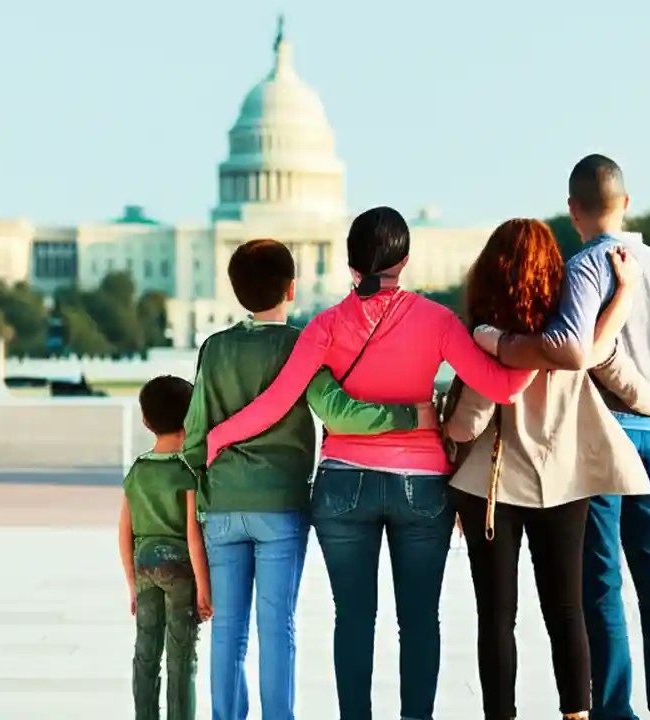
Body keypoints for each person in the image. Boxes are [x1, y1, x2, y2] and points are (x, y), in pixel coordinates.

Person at [205, 207, 536, 720]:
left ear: (350, 264)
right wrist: (537, 344)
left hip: (343, 486)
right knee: (419, 621)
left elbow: (276, 402)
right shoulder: (438, 321)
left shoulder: (324, 325)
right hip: (421, 485)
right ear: (404, 261)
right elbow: (502, 387)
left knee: (354, 621)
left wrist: (217, 438)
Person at [181, 238, 438, 720]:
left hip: (223, 505)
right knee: (277, 628)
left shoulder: (214, 348)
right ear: (291, 289)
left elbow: (196, 434)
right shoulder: (302, 344)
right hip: (279, 504)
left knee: (228, 631)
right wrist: (407, 415)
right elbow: (338, 411)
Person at [444, 219, 650, 720]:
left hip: (494, 489)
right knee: (568, 610)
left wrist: (445, 420)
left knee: (497, 618)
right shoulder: (571, 332)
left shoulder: (490, 336)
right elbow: (620, 376)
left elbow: (470, 424)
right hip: (562, 485)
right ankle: (576, 713)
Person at [488, 155, 650, 720]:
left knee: (601, 582)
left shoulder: (582, 268)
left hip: (602, 436)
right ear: (626, 203)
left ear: (572, 209)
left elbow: (577, 351)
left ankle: (614, 709)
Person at [119, 375, 213, 720]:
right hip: (181, 570)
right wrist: (204, 587)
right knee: (181, 657)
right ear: (191, 419)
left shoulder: (138, 470)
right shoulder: (188, 471)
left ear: (146, 422)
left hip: (144, 565)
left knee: (146, 652)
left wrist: (132, 583)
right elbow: (193, 534)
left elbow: (124, 531)